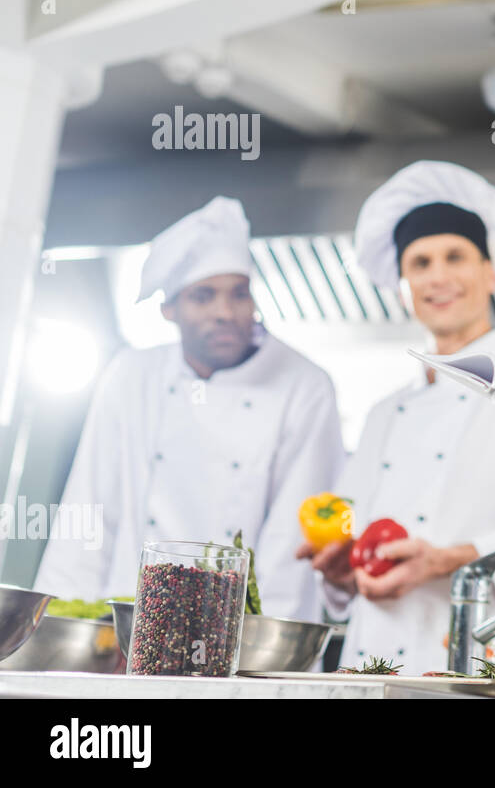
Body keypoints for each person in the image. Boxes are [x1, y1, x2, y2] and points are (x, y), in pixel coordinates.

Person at [302, 161, 495, 670]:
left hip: (482, 668)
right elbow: (355, 547)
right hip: (372, 668)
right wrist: (339, 570)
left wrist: (447, 559)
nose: (437, 276)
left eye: (454, 256)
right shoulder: (382, 414)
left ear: (489, 272)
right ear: (403, 286)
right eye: (419, 263)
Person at [34, 197, 346, 621]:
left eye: (239, 294)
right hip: (128, 625)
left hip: (235, 632)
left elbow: (288, 546)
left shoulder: (305, 385)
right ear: (169, 310)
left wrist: (263, 657)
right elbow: (90, 509)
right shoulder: (132, 374)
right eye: (204, 296)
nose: (226, 312)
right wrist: (58, 628)